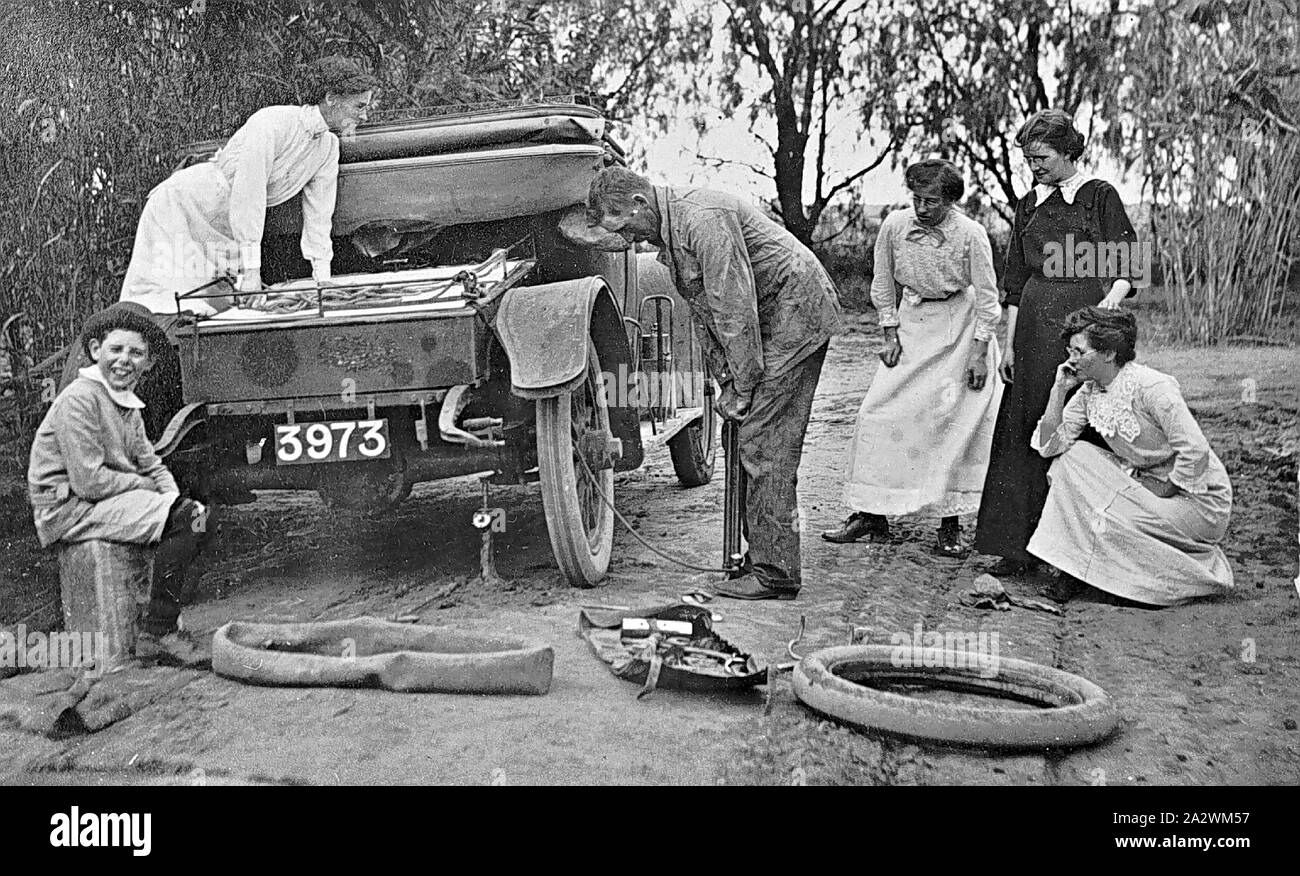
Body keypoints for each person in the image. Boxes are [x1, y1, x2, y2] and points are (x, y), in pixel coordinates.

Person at [577, 167, 842, 600]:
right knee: (740, 434)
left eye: (626, 227)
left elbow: (733, 308)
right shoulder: (672, 231)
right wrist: (728, 382)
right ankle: (757, 559)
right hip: (769, 320)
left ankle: (775, 572)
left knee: (762, 441)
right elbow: (706, 318)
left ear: (641, 205)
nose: (630, 241)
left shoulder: (701, 220)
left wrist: (743, 383)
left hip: (795, 316)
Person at [89, 56, 378, 441]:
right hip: (186, 208)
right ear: (330, 98)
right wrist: (252, 271)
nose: (365, 113)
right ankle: (125, 416)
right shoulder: (272, 122)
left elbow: (319, 215)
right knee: (169, 307)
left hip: (226, 230)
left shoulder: (327, 148)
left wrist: (321, 280)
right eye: (359, 105)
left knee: (218, 311)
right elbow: (249, 196)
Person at [975, 109, 1142, 575]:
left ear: (1070, 152)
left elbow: (1129, 267)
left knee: (1079, 425)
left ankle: (1070, 554)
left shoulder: (1098, 196)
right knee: (1026, 426)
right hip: (1031, 325)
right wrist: (1008, 346)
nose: (1035, 167)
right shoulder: (1029, 203)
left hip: (1085, 324)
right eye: (1028, 159)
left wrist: (1106, 309)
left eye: (1043, 157)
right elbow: (1014, 279)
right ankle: (1016, 546)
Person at [822, 159, 1002, 556]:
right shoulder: (895, 226)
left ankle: (949, 523)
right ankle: (871, 514)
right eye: (916, 199)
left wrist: (979, 354)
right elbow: (882, 281)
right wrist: (889, 332)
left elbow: (989, 300)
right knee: (877, 413)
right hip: (911, 322)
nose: (922, 209)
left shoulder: (971, 234)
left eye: (932, 202)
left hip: (959, 328)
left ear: (951, 201)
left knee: (949, 421)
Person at [28, 303, 219, 665]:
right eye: (116, 350)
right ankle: (158, 631)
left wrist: (171, 496)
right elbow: (88, 480)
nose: (124, 360)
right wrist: (147, 489)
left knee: (195, 517)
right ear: (96, 350)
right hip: (68, 507)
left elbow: (150, 460)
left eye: (136, 353)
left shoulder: (126, 404)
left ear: (147, 362)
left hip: (101, 499)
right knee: (189, 520)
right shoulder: (80, 399)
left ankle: (160, 621)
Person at [1027, 308, 1234, 606]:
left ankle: (1123, 578)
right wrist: (1058, 390)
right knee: (1072, 457)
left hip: (1197, 498)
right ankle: (1079, 569)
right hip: (1147, 483)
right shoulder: (1089, 392)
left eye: (1079, 351)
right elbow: (1049, 446)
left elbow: (1196, 449)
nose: (1070, 359)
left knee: (1104, 511)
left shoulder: (1152, 387)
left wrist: (1167, 487)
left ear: (1109, 353)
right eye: (1069, 350)